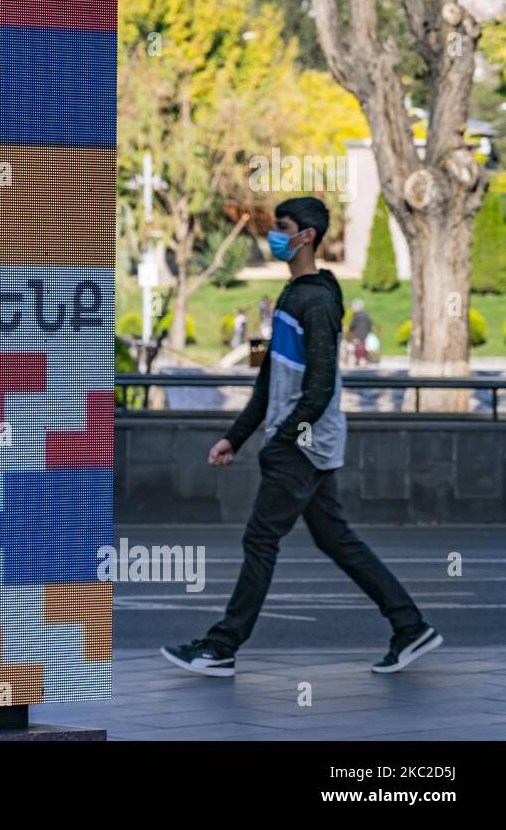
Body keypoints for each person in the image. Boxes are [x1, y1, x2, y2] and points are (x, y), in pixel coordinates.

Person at [161, 197, 440, 676]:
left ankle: (222, 646)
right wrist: (237, 437)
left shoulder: (317, 299)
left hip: (304, 444)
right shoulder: (294, 294)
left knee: (261, 538)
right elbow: (269, 381)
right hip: (302, 441)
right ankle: (410, 627)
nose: (274, 234)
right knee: (336, 539)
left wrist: (283, 440)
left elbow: (319, 389)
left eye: (283, 227)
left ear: (307, 235)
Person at [349, 298, 374, 366]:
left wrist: (349, 329)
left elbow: (352, 325)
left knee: (358, 347)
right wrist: (369, 330)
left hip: (357, 333)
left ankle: (361, 360)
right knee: (363, 346)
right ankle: (364, 360)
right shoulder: (365, 314)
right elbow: (370, 323)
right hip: (365, 333)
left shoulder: (355, 314)